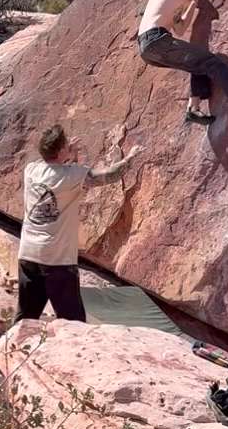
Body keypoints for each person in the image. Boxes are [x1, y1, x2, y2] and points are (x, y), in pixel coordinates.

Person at [14, 125, 141, 324]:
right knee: (73, 322)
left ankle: (10, 351)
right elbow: (109, 176)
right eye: (65, 145)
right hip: (58, 260)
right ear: (61, 150)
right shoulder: (73, 175)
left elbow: (56, 170)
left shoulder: (31, 170)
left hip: (28, 254)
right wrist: (131, 158)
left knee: (26, 316)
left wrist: (66, 154)